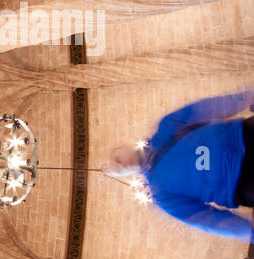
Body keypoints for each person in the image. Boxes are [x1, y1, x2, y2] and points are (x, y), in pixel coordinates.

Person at [106, 88, 254, 240]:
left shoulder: (166, 127)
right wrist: (247, 231)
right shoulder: (161, 195)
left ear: (124, 147)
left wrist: (246, 97)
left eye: (118, 159)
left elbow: (210, 107)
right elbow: (205, 220)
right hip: (242, 186)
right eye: (119, 170)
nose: (122, 166)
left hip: (245, 135)